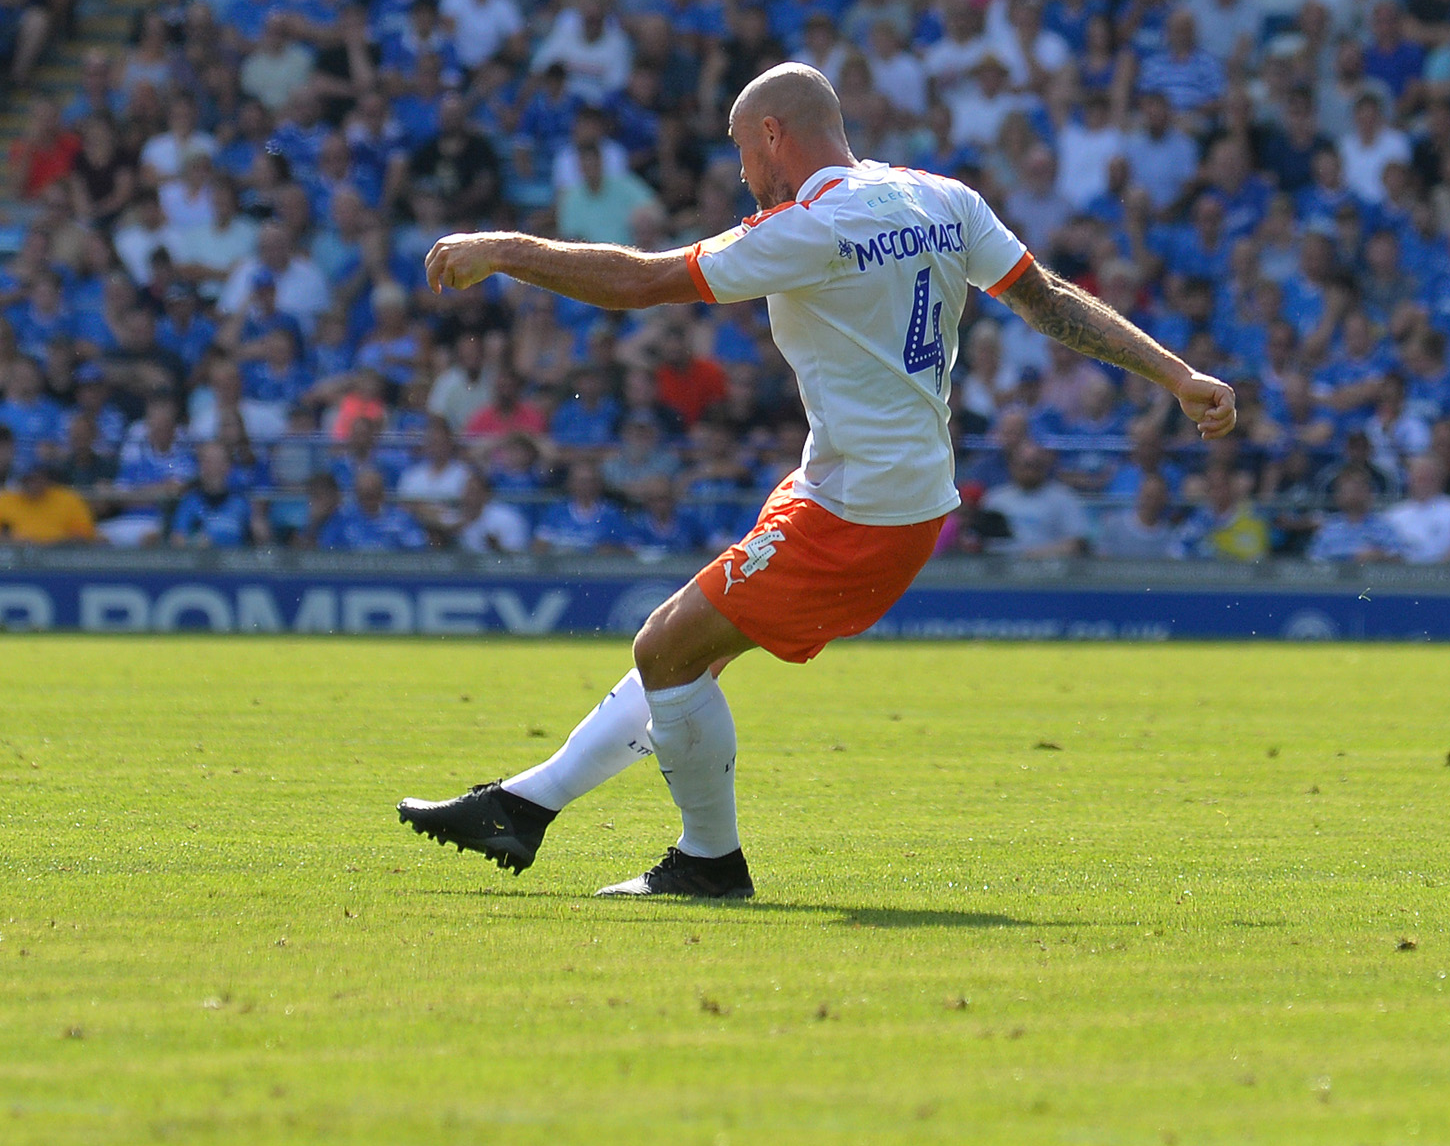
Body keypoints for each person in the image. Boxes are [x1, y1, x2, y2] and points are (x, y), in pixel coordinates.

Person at [395, 64, 1236, 899]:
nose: (740, 175)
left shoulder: (809, 227)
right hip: (857, 487)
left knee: (666, 647)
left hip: (863, 512)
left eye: (740, 150)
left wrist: (504, 250)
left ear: (772, 135)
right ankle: (523, 805)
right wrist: (1176, 373)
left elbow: (644, 280)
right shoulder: (941, 197)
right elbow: (1048, 299)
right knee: (690, 655)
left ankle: (707, 864)